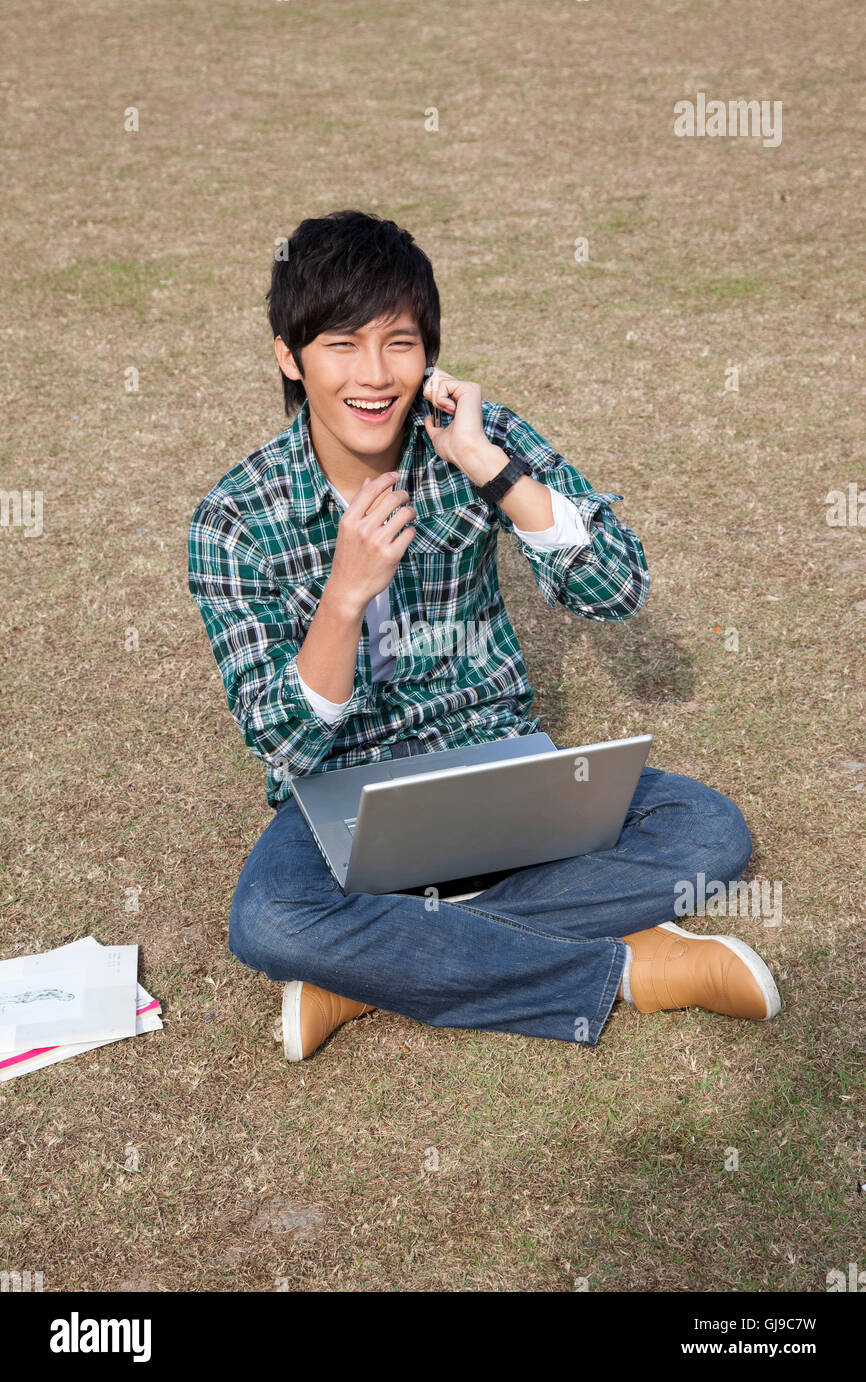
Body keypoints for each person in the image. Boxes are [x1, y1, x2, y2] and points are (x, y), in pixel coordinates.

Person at [187, 209, 780, 1062]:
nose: (375, 375)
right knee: (271, 917)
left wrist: (490, 470)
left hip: (492, 759)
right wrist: (343, 599)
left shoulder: (474, 437)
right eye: (341, 345)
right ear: (290, 356)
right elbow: (277, 735)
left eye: (399, 343)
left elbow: (619, 589)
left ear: (429, 350)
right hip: (342, 792)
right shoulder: (233, 518)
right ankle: (629, 970)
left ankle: (362, 970)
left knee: (705, 832)